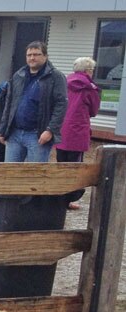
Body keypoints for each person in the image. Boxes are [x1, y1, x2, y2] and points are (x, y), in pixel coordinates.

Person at [0, 41, 68, 163]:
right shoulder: (19, 75)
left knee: (34, 176)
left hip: (37, 135)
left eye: (36, 54)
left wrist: (50, 130)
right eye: (29, 55)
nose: (32, 58)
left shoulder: (55, 77)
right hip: (15, 133)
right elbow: (9, 104)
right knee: (10, 174)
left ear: (45, 56)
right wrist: (3, 129)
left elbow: (61, 105)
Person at [58, 57, 101, 210]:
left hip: (61, 129)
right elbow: (94, 110)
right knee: (75, 167)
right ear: (87, 70)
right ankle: (69, 198)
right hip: (78, 131)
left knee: (60, 165)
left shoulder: (64, 82)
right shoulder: (90, 88)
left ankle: (59, 197)